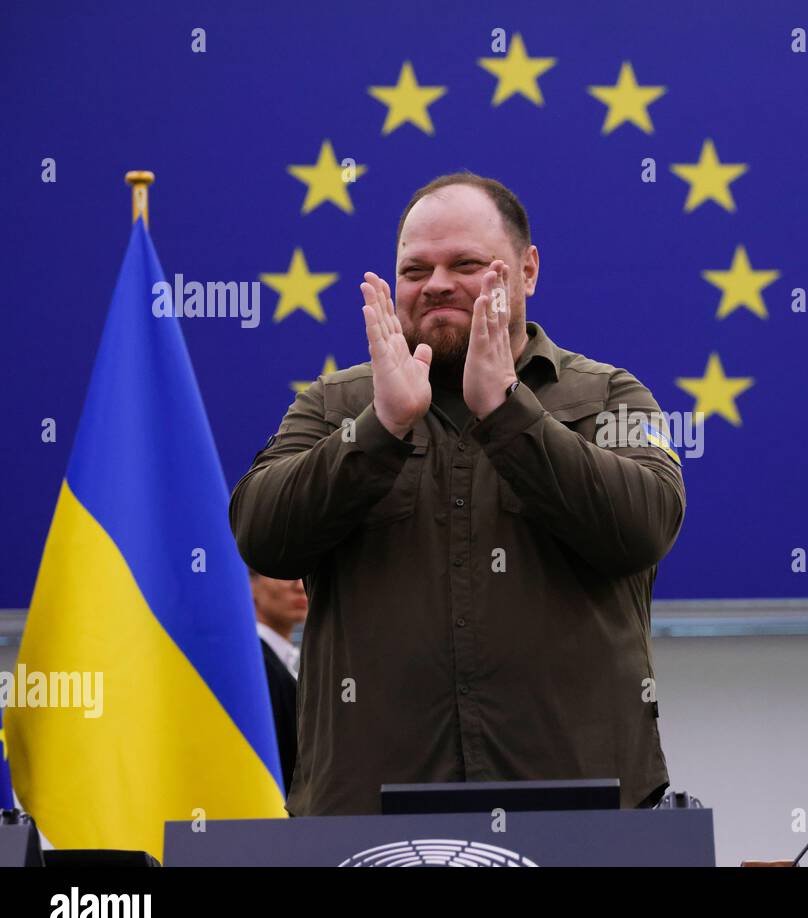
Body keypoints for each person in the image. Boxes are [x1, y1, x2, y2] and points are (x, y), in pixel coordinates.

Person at [230, 172, 685, 815]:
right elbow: (260, 533)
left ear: (527, 270)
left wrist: (508, 414)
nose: (437, 284)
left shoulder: (610, 395)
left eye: (465, 264)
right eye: (415, 270)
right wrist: (380, 429)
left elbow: (645, 525)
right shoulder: (335, 405)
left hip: (580, 814)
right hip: (368, 820)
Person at [248, 570, 305, 790]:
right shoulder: (254, 664)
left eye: (307, 575)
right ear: (250, 584)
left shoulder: (290, 660)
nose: (300, 586)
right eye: (285, 573)